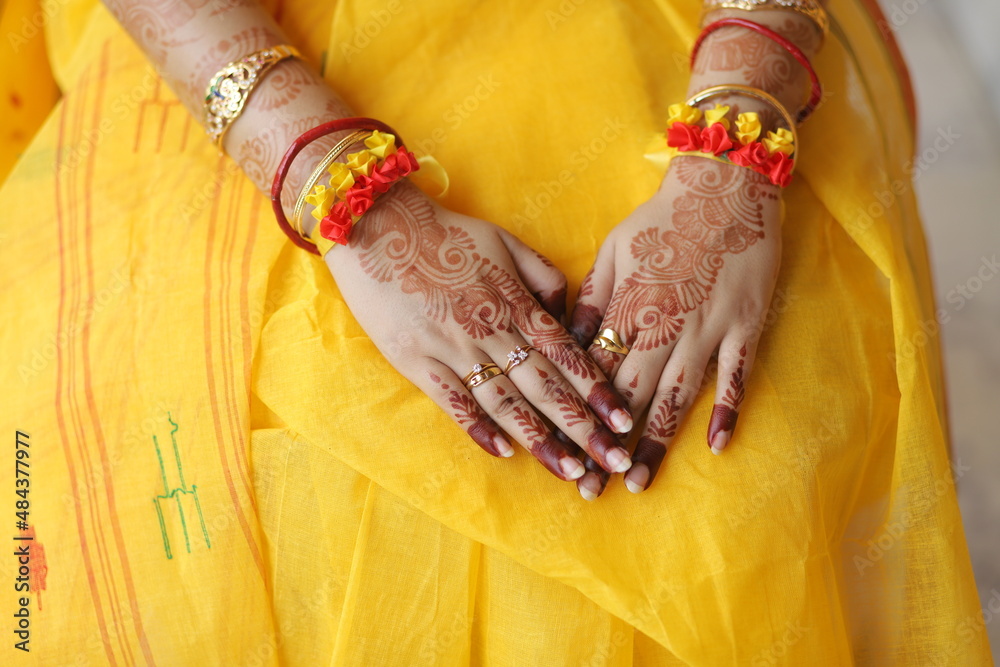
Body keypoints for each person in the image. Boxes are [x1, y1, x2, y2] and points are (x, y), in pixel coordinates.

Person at [0, 0, 989, 662]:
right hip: (235, 40)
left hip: (711, 26)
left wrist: (737, 138)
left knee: (741, 489)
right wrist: (335, 185)